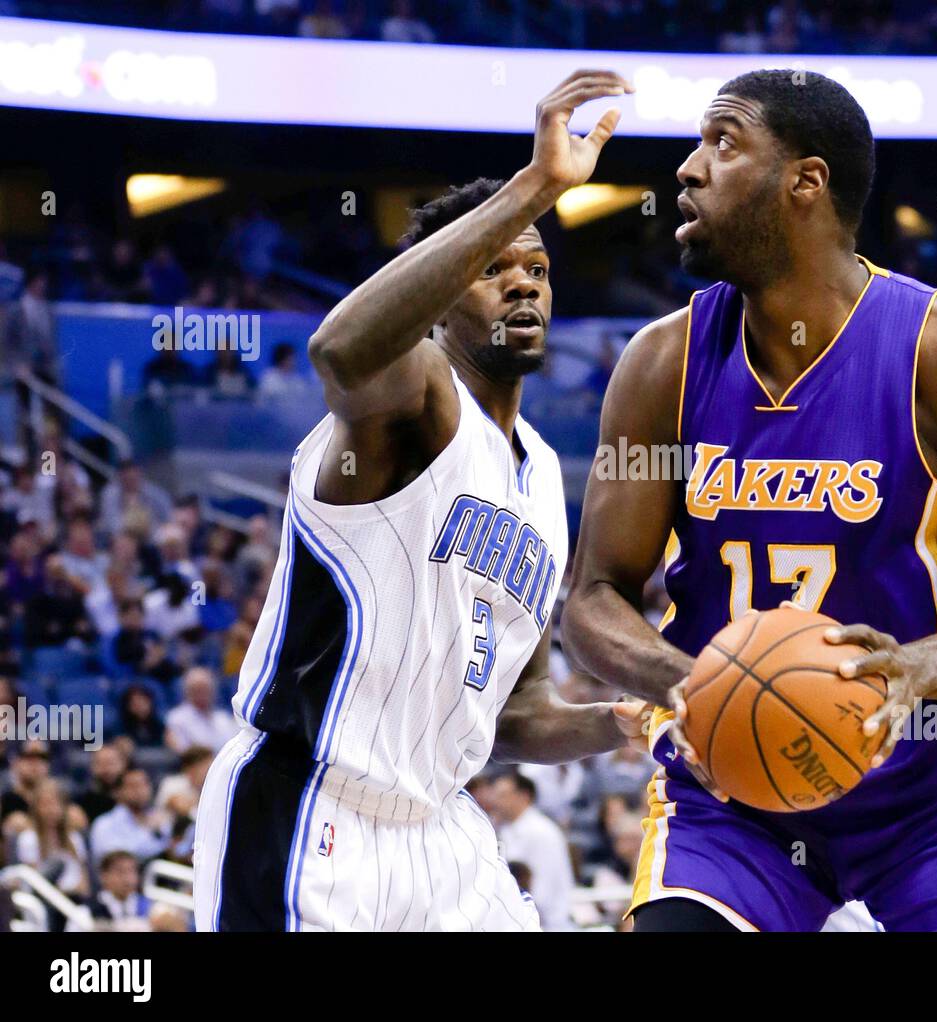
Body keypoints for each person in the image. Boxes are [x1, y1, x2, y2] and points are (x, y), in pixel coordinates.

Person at [564, 69, 937, 932]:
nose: (687, 170)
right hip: (733, 804)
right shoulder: (662, 365)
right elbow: (593, 598)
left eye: (722, 144)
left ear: (806, 181)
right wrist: (699, 682)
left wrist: (930, 663)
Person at [191, 71, 649, 932]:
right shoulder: (416, 397)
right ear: (439, 305)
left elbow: (513, 713)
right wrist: (537, 187)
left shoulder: (545, 473)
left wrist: (616, 725)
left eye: (539, 268)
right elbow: (340, 353)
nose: (524, 285)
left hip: (444, 829)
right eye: (493, 268)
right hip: (312, 808)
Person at [493, 770, 575, 932]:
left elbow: (543, 890)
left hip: (547, 924)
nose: (496, 802)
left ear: (523, 796)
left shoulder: (542, 832)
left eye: (503, 795)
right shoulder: (505, 829)